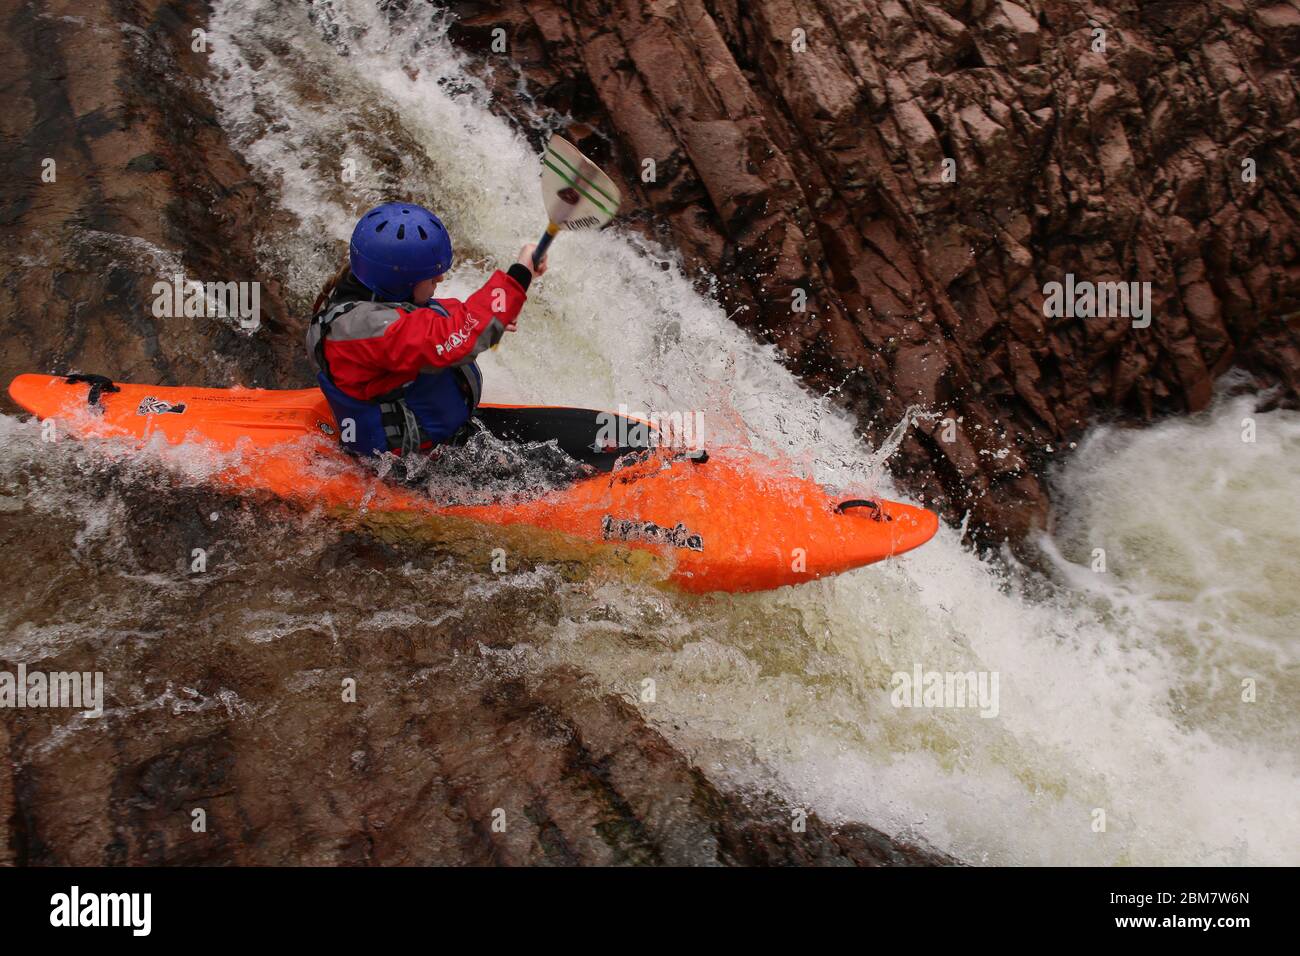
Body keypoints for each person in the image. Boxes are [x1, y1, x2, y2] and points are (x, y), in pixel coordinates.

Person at [306, 201, 546, 457]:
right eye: (431, 277)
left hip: (445, 439)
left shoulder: (363, 296)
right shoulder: (369, 331)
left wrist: (493, 315)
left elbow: (424, 317)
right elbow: (446, 338)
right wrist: (520, 273)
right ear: (399, 282)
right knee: (589, 446)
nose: (440, 279)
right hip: (416, 466)